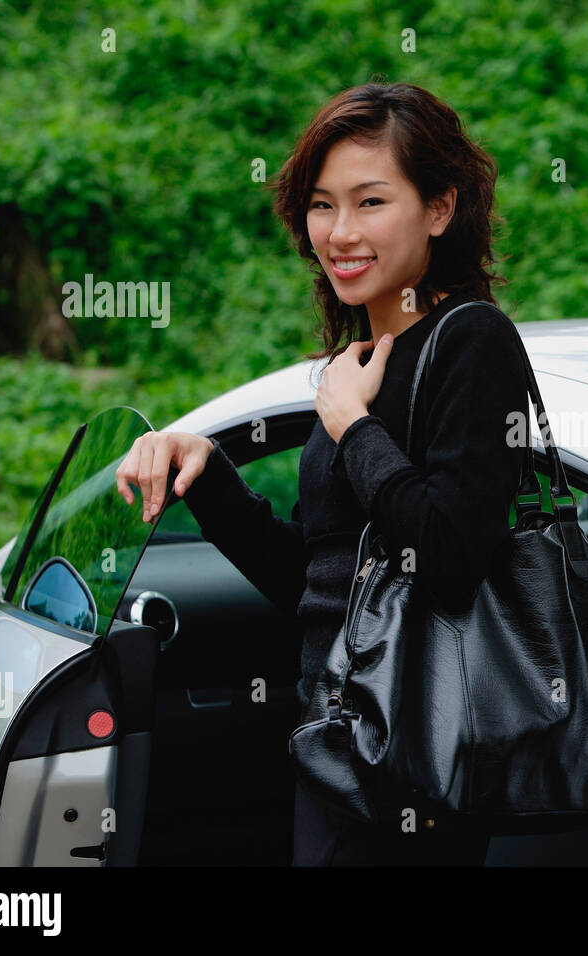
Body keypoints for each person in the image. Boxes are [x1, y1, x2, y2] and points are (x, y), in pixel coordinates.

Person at [114, 82, 530, 866]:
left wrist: (354, 427)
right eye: (321, 205)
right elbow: (321, 580)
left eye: (371, 202)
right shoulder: (358, 364)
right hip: (337, 740)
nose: (340, 233)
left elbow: (449, 558)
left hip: (415, 757)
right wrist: (208, 478)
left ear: (439, 208)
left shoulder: (471, 343)